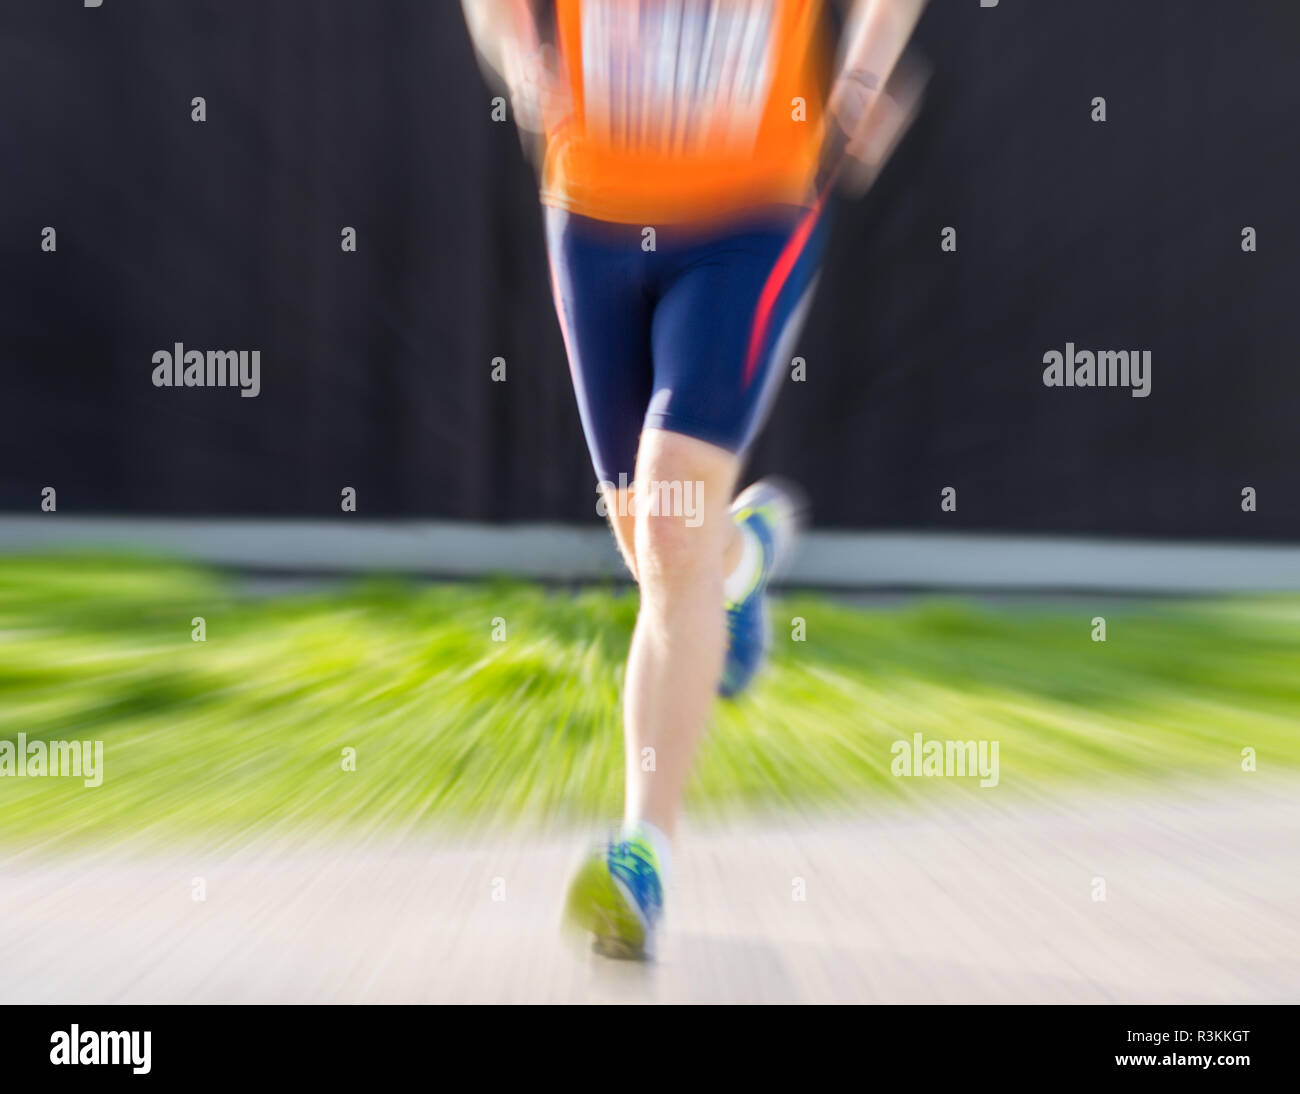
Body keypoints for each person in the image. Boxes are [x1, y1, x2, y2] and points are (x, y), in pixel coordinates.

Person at [462, 0, 926, 959]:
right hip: (591, 210)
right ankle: (738, 564)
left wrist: (866, 73)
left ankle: (642, 857)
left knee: (669, 518)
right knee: (654, 551)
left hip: (752, 208)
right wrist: (517, 53)